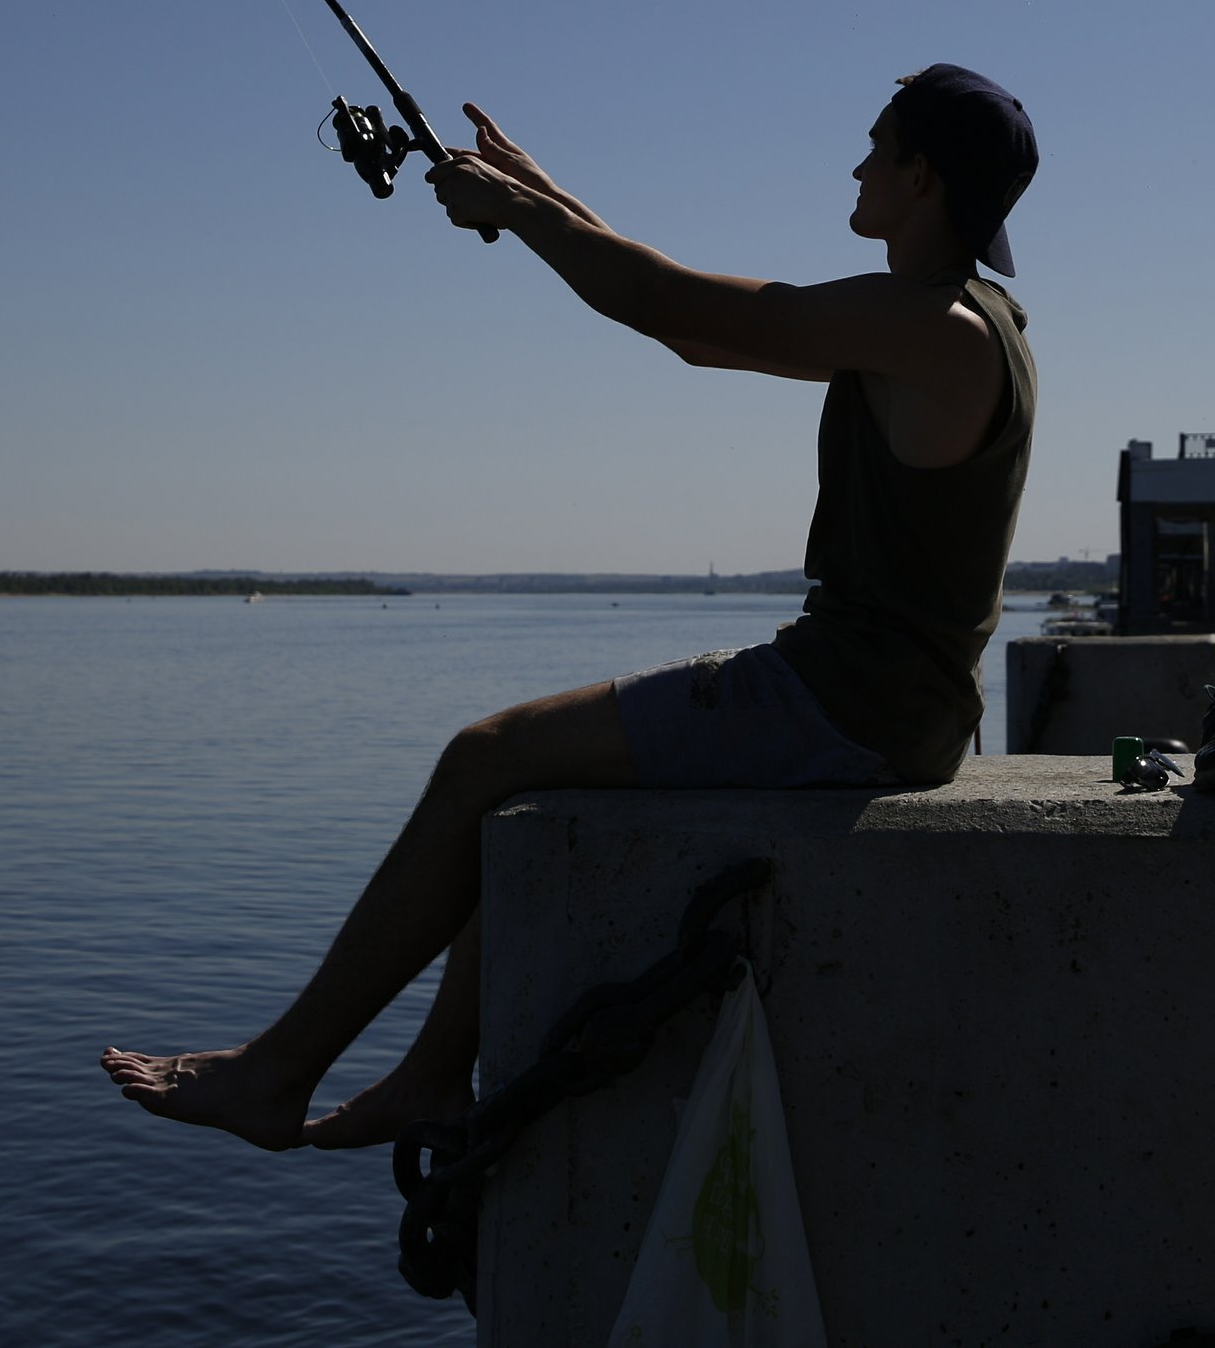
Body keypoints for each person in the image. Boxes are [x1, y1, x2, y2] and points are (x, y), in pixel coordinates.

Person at [102, 66, 1039, 1151]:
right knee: (533, 767)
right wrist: (537, 190)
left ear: (920, 176)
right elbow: (675, 294)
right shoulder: (973, 317)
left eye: (876, 145)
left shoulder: (935, 329)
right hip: (883, 700)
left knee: (482, 753)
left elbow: (682, 316)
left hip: (851, 703)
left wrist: (522, 215)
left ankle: (275, 1074)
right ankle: (427, 1079)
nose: (857, 164)